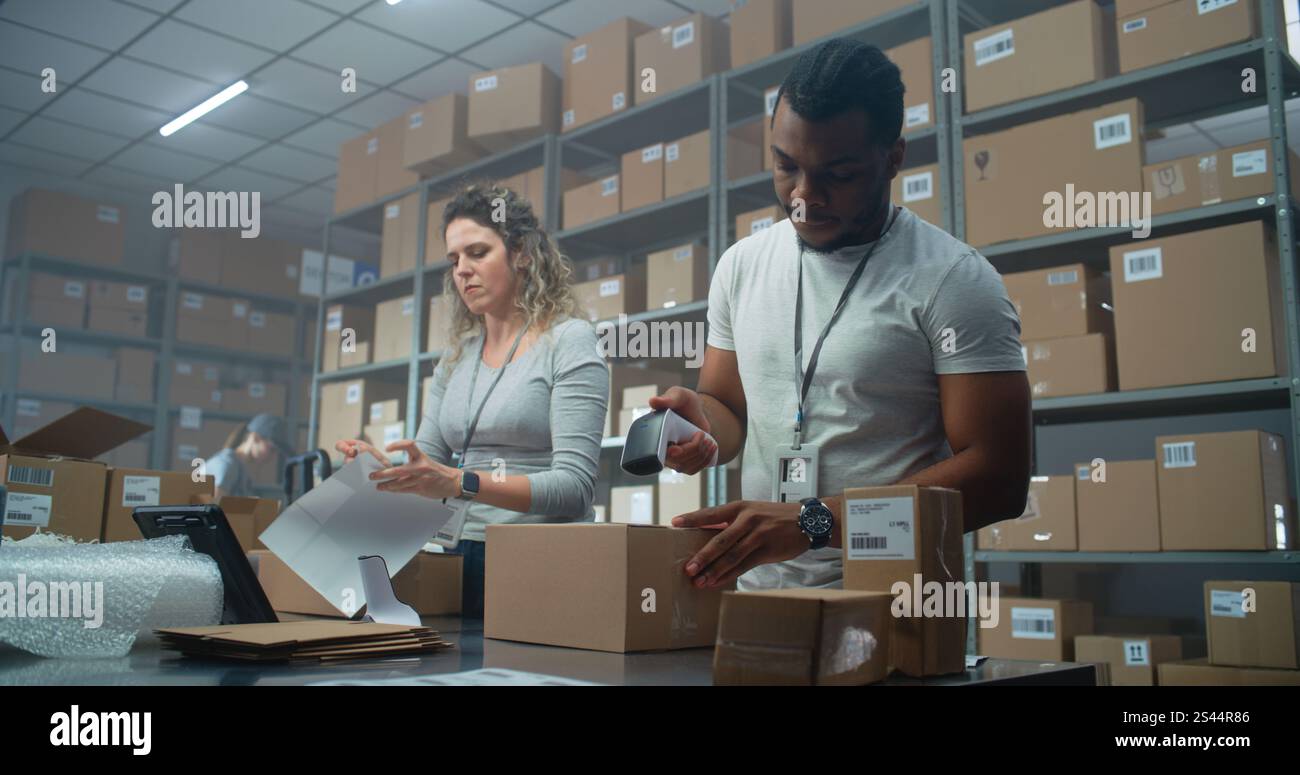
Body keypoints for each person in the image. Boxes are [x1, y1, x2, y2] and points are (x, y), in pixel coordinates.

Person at [653, 38, 1032, 591]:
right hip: (760, 597)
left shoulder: (953, 280)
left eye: (840, 174)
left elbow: (1000, 478)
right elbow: (731, 412)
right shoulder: (741, 266)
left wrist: (813, 523)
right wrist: (703, 423)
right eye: (786, 167)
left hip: (896, 603)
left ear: (893, 159)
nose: (805, 196)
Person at [335, 182, 608, 618]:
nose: (462, 270)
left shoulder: (569, 341)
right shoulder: (457, 356)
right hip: (457, 554)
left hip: (540, 560)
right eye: (454, 259)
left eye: (478, 253)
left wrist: (463, 482)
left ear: (520, 253)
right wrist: (383, 470)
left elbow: (574, 488)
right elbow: (430, 467)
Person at [206, 413, 292, 498]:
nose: (274, 457)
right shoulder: (227, 465)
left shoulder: (240, 470)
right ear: (255, 438)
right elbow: (212, 509)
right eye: (272, 449)